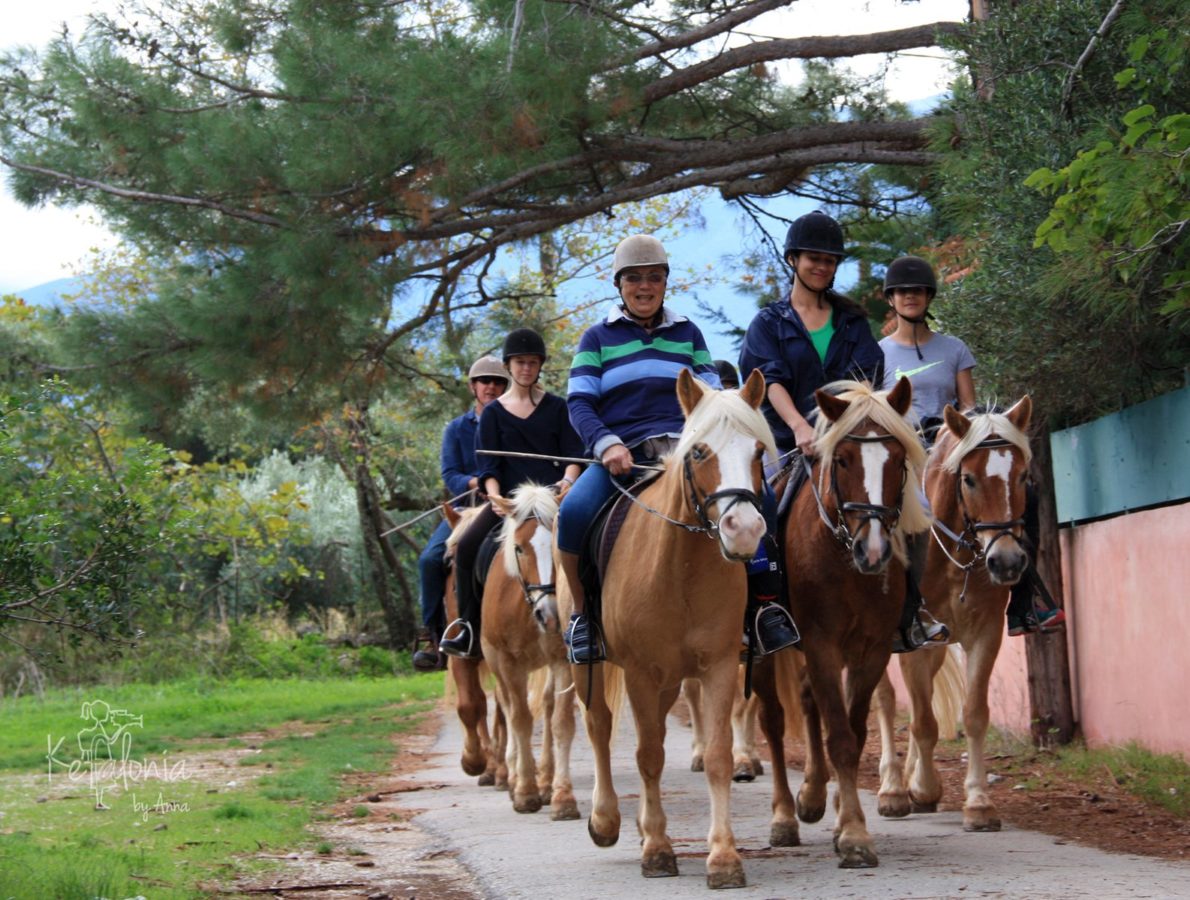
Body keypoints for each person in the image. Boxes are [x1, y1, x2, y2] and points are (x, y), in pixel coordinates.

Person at [556, 234, 798, 665]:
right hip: (624, 458)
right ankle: (582, 616)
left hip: (687, 455)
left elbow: (713, 397)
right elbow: (579, 403)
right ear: (619, 285)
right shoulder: (596, 338)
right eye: (634, 279)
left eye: (654, 277)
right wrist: (607, 444)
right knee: (573, 513)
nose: (644, 287)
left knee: (763, 499)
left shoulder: (689, 333)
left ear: (666, 283)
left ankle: (763, 606)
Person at [739, 211, 941, 653]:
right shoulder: (768, 323)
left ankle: (912, 613)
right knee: (757, 510)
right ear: (793, 259)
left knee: (916, 509)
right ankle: (760, 611)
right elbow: (769, 379)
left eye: (830, 261)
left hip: (849, 441)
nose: (822, 267)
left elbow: (868, 380)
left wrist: (841, 429)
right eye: (814, 258)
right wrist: (799, 426)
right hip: (789, 443)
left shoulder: (852, 322)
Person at [879, 256, 1063, 637]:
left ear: (928, 297)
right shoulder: (877, 352)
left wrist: (962, 437)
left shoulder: (954, 349)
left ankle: (1025, 603)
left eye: (918, 290)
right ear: (891, 298)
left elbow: (969, 408)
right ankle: (896, 606)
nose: (910, 296)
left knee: (1025, 493)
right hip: (906, 451)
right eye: (902, 291)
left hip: (952, 444)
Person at [438, 328, 584, 659]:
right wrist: (494, 498)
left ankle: (590, 621)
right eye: (520, 363)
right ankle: (468, 627)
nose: (526, 369)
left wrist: (567, 482)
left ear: (540, 366)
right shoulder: (493, 413)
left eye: (532, 362)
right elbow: (488, 467)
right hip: (510, 502)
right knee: (467, 546)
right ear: (509, 366)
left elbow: (574, 457)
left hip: (551, 501)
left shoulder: (557, 408)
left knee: (589, 541)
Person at [412, 355, 508, 671]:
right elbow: (450, 474)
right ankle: (433, 635)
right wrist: (477, 482)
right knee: (429, 560)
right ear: (473, 387)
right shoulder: (456, 429)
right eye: (485, 381)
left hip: (505, 504)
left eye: (498, 382)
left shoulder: (513, 421)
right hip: (466, 507)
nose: (491, 387)